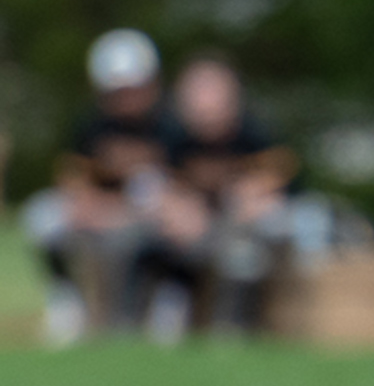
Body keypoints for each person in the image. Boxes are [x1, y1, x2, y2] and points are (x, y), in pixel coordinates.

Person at [21, 28, 173, 342]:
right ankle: (68, 299)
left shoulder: (172, 124)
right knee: (42, 214)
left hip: (150, 218)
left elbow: (176, 189)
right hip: (102, 211)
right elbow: (72, 178)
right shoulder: (91, 124)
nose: (126, 98)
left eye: (133, 88)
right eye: (117, 90)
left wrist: (125, 210)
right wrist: (89, 204)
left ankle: (164, 304)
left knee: (150, 193)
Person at [155, 56, 298, 336]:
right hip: (195, 231)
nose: (207, 112)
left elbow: (281, 179)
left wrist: (251, 193)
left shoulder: (255, 132)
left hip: (241, 228)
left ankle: (245, 322)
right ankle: (171, 310)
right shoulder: (172, 135)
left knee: (258, 236)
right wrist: (179, 208)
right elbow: (162, 185)